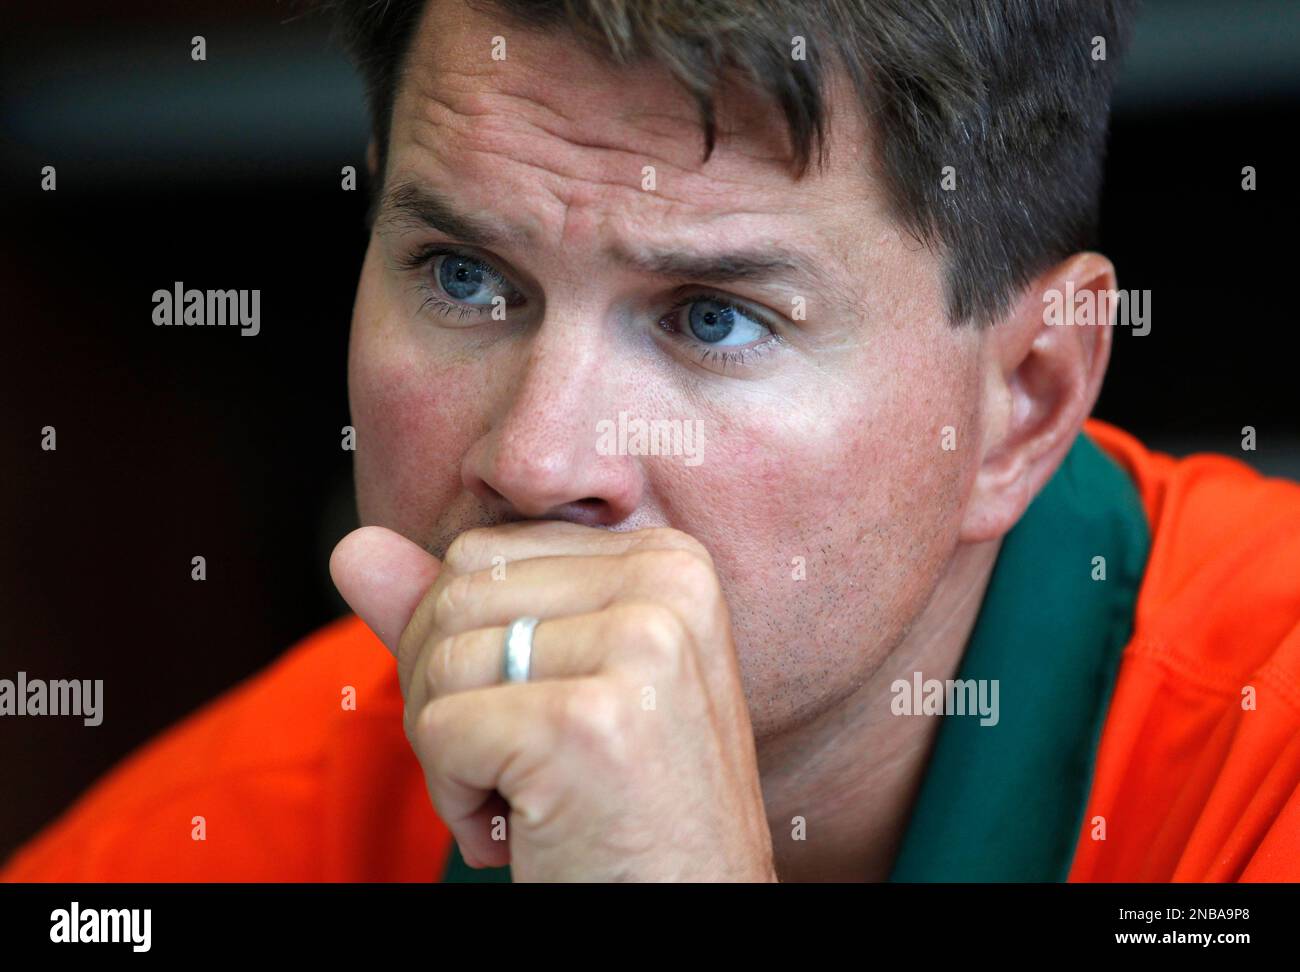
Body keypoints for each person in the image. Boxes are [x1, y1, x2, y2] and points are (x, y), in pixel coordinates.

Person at [5, 0, 1299, 883]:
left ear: (1024, 395)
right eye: (463, 276)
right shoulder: (182, 851)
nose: (538, 456)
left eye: (713, 318)